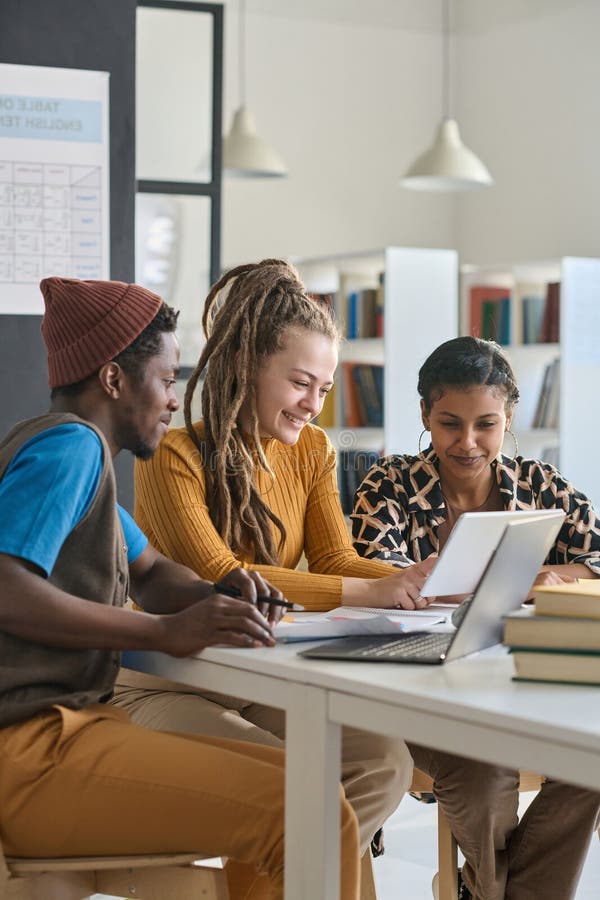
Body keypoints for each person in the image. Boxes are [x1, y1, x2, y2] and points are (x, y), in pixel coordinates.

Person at [0, 275, 361, 900]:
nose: (174, 400)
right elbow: (7, 589)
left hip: (71, 730)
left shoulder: (71, 459)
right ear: (114, 380)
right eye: (166, 381)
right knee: (311, 809)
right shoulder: (73, 449)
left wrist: (219, 589)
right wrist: (167, 630)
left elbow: (151, 571)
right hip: (31, 751)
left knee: (313, 790)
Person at [118, 258, 428, 864]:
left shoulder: (312, 450)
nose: (314, 404)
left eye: (325, 389)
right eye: (299, 382)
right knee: (297, 782)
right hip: (172, 681)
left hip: (262, 677)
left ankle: (286, 878)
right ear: (249, 366)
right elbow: (221, 579)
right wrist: (372, 594)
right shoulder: (174, 454)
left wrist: (413, 580)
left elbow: (335, 556)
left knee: (383, 761)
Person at [352, 335, 600, 900]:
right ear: (424, 415)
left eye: (486, 424)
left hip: (520, 685)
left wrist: (560, 577)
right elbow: (383, 581)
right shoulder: (386, 486)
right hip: (419, 690)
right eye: (449, 424)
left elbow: (598, 553)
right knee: (485, 769)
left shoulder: (541, 485)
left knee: (591, 752)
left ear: (509, 416)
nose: (467, 443)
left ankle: (480, 890)